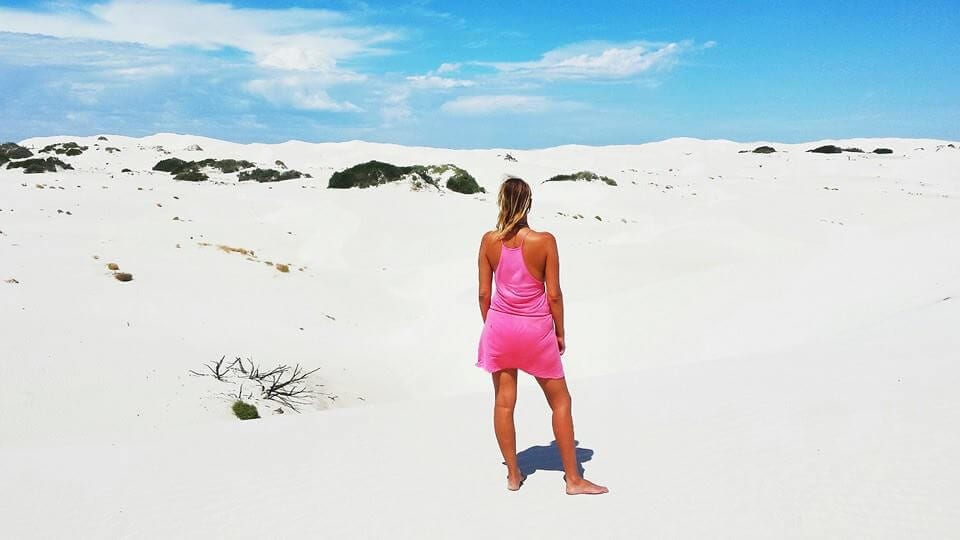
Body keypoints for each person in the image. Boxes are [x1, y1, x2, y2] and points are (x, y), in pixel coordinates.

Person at [476, 177, 608, 495]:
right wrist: (560, 333)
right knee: (561, 402)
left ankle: (513, 476)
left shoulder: (488, 241)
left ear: (501, 203)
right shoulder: (544, 241)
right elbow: (554, 296)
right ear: (529, 203)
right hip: (535, 332)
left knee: (504, 404)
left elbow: (483, 294)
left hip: (500, 329)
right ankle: (574, 480)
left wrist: (494, 325)